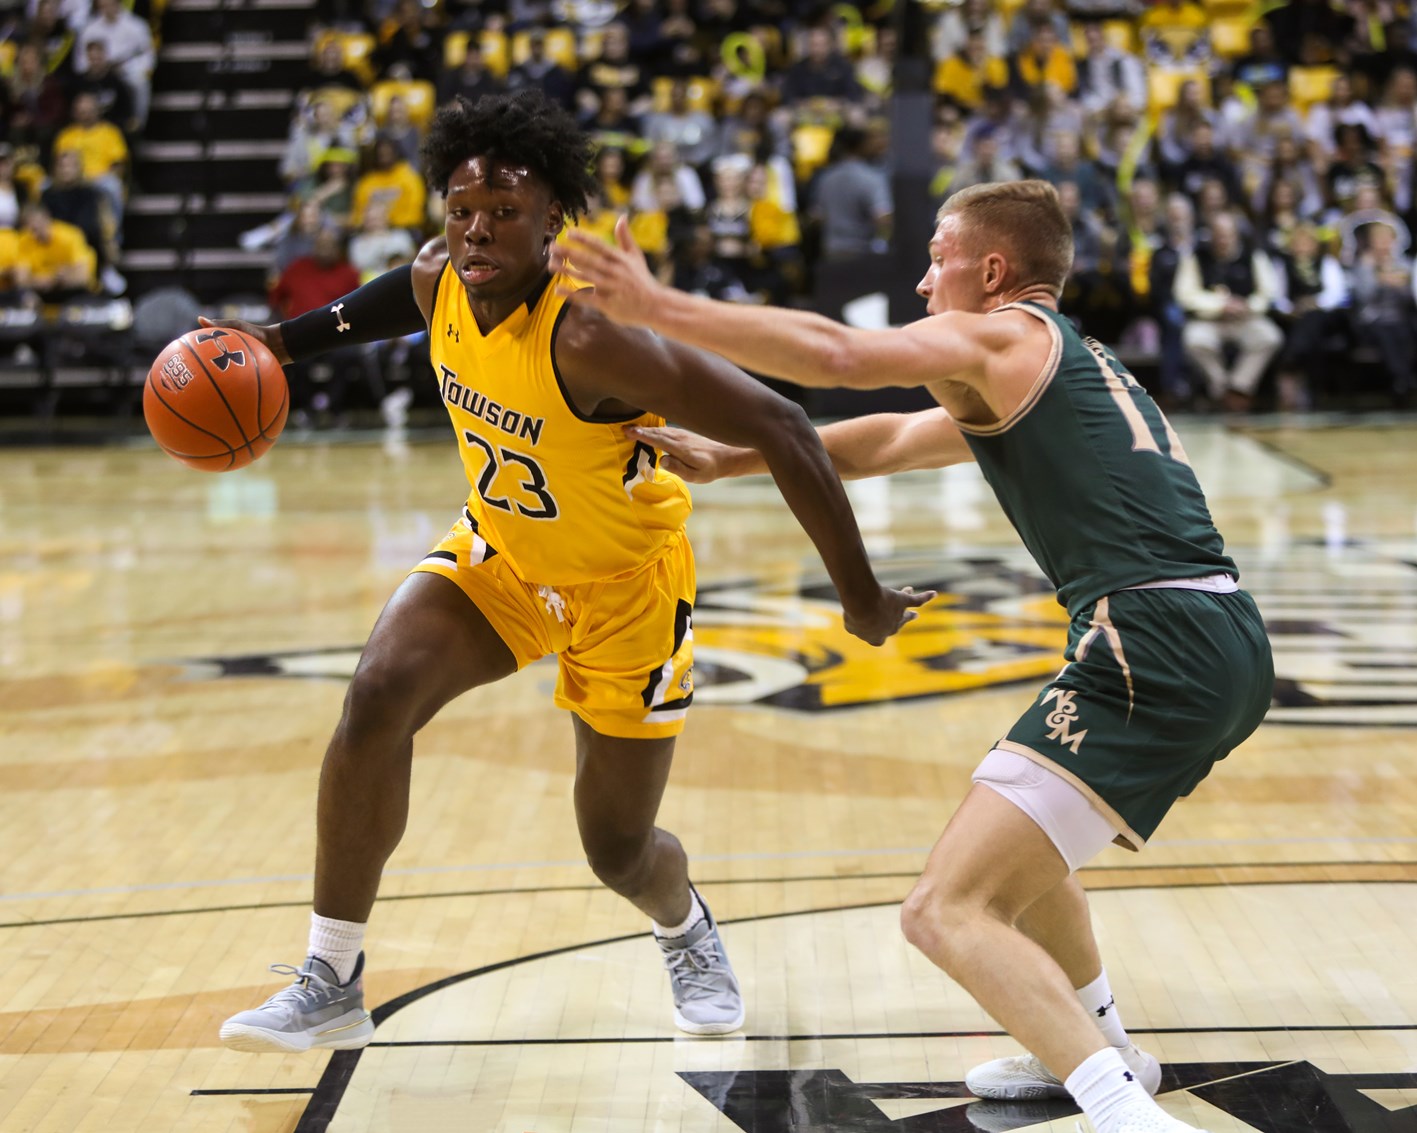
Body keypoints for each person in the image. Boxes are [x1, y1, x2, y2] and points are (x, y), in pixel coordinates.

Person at [209, 89, 925, 1054]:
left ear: (554, 219)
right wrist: (278, 345)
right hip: (500, 556)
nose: (477, 232)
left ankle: (686, 928)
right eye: (462, 210)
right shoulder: (438, 277)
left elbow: (783, 424)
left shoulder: (592, 337)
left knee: (617, 848)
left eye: (505, 213)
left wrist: (862, 595)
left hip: (627, 586)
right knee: (376, 695)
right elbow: (389, 296)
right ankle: (331, 975)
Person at [552, 178, 1274, 1133]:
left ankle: (1123, 1114)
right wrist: (731, 461)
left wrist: (662, 310)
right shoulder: (1061, 357)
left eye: (937, 260)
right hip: (1209, 631)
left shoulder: (1003, 335)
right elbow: (889, 436)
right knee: (1024, 829)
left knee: (944, 910)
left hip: (1148, 638)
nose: (924, 281)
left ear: (991, 270)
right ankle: (1105, 1045)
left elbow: (841, 356)